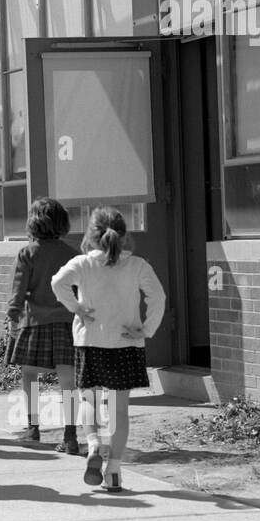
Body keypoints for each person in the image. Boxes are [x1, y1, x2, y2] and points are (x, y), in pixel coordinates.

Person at [52, 207, 166, 494]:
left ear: (90, 235)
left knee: (88, 399)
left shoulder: (82, 263)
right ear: (124, 236)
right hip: (126, 343)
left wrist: (76, 307)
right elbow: (159, 297)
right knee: (119, 410)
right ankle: (113, 471)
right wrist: (147, 329)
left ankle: (92, 445)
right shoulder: (138, 265)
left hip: (89, 341)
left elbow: (57, 283)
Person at [5, 198, 80, 450]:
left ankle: (33, 427)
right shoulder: (73, 253)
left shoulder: (27, 253)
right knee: (67, 379)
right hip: (67, 323)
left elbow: (18, 292)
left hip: (34, 323)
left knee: (29, 375)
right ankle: (70, 435)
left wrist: (13, 317)